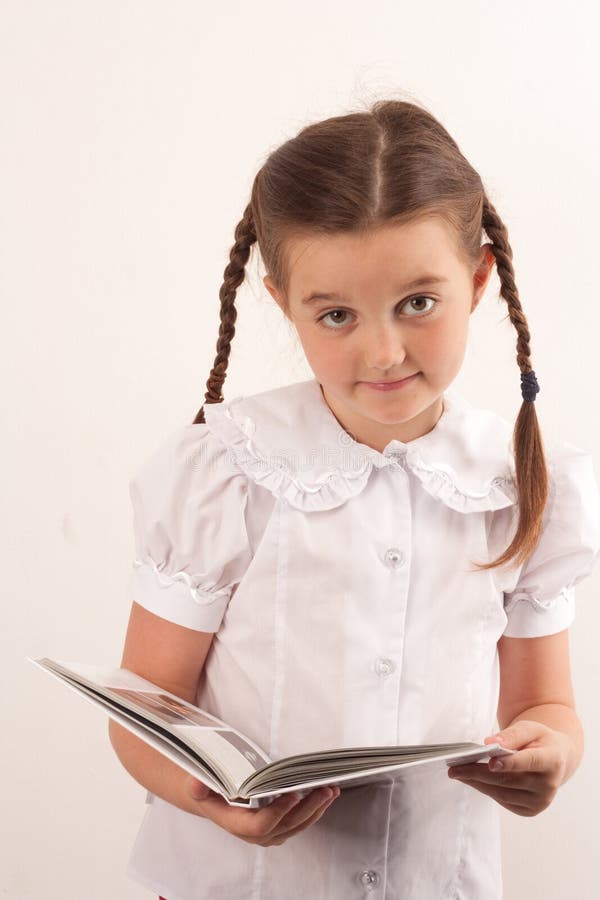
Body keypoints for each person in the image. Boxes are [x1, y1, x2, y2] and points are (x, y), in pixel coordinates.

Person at [109, 98, 600, 900]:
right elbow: (141, 716)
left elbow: (547, 704)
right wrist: (213, 798)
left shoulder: (527, 481)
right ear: (283, 305)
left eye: (418, 302)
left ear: (477, 279)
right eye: (336, 315)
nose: (383, 351)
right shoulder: (225, 472)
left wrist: (551, 757)